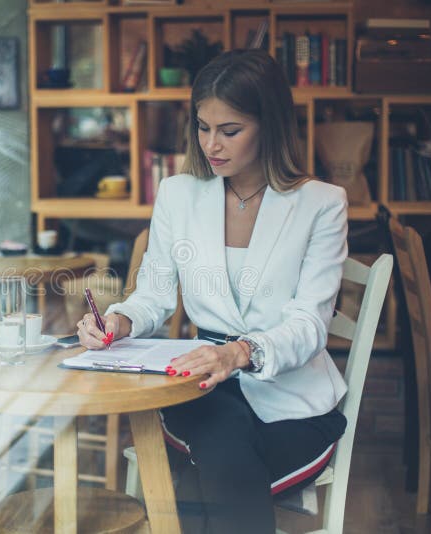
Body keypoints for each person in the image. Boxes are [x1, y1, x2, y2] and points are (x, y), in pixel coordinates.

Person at [76, 49, 348, 534]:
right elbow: (153, 295)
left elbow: (310, 324)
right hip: (199, 383)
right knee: (223, 444)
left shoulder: (322, 205)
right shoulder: (179, 194)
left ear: (270, 126)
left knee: (215, 467)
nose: (211, 144)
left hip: (292, 395)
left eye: (230, 130)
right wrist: (116, 322)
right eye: (203, 127)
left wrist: (241, 353)